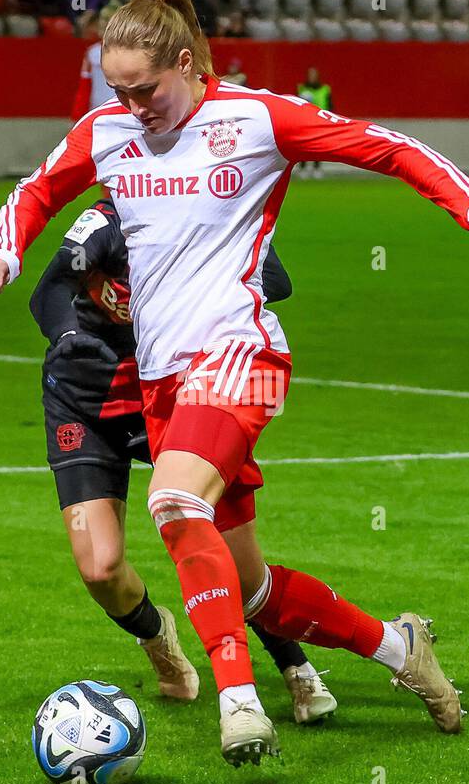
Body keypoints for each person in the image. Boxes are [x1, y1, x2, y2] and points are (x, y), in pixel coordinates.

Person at [0, 0, 469, 766]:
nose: (132, 104)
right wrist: (4, 249)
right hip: (164, 379)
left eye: (145, 88)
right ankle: (403, 650)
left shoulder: (253, 118)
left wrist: (468, 204)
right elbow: (36, 190)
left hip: (245, 354)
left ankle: (239, 701)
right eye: (117, 89)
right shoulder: (109, 130)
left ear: (186, 64)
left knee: (172, 496)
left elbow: (382, 144)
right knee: (249, 586)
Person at [26, 196, 338, 724]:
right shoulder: (107, 223)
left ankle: (294, 666)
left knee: (221, 545)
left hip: (175, 396)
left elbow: (277, 282)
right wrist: (71, 335)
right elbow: (49, 290)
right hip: (87, 397)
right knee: (99, 568)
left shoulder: (215, 219)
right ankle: (157, 636)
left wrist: (216, 271)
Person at [295, 67, 330, 179]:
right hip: (304, 121)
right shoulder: (302, 88)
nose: (312, 77)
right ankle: (303, 168)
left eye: (314, 75)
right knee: (303, 146)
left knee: (318, 146)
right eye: (310, 75)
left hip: (320, 121)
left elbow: (330, 105)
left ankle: (316, 168)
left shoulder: (325, 89)